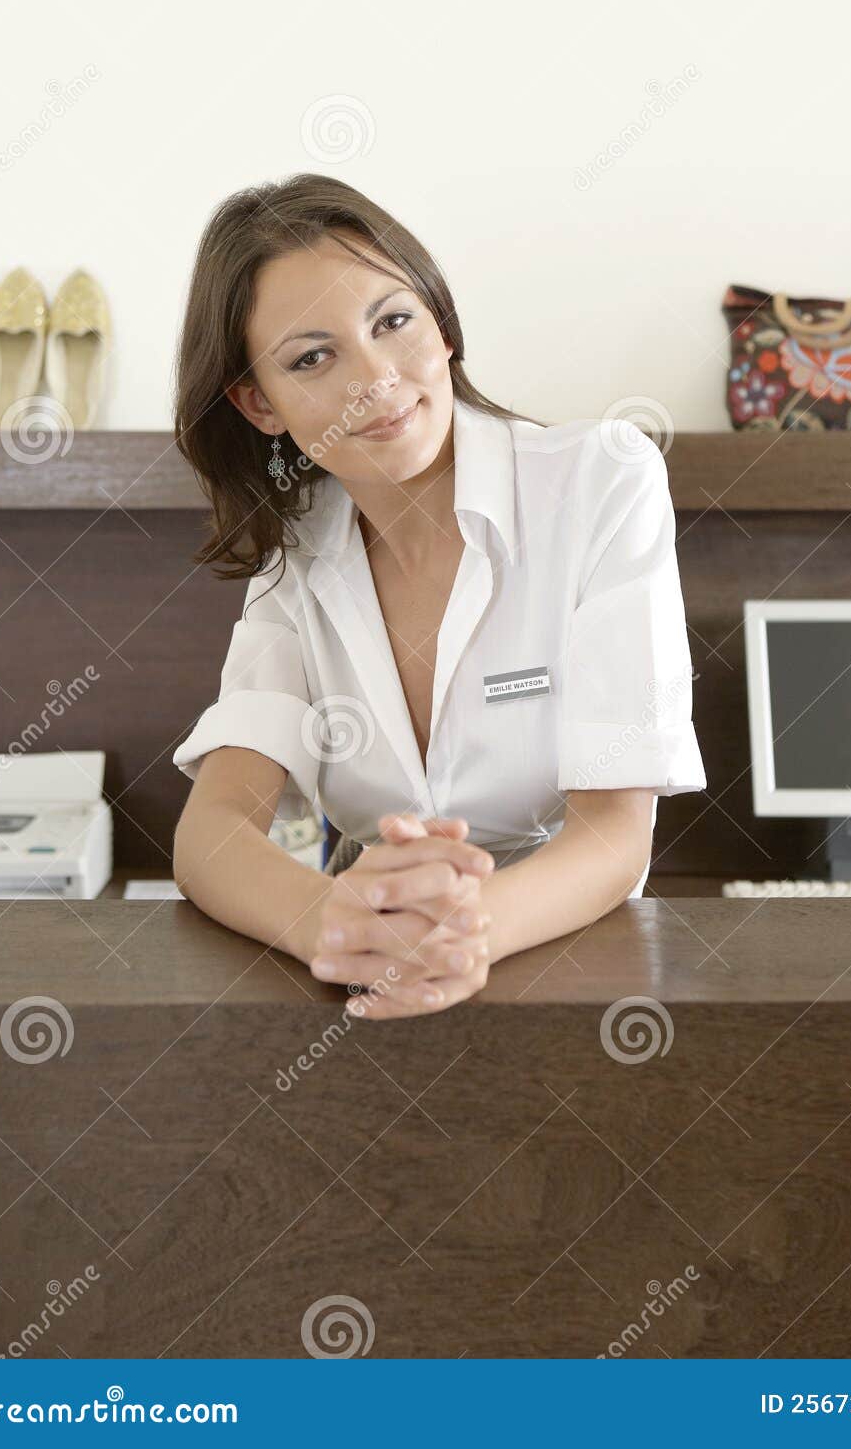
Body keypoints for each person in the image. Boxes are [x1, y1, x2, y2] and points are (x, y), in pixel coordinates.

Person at [171, 174, 706, 1019]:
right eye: (312, 357)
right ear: (258, 403)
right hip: (365, 988)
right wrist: (333, 924)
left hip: (567, 976)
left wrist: (456, 936)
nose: (376, 379)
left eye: (393, 321)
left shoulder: (600, 480)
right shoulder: (298, 550)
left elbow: (611, 833)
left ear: (442, 325)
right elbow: (213, 835)